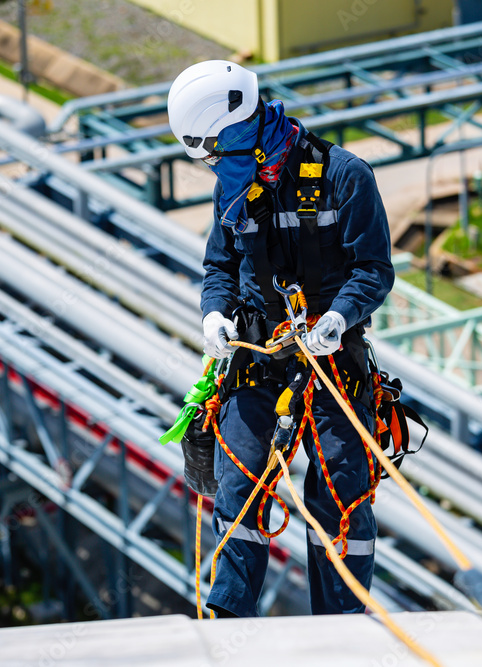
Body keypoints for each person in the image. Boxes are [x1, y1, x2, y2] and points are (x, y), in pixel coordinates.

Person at [167, 60, 394, 618]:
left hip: (334, 363)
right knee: (239, 489)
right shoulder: (235, 187)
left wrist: (338, 318)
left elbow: (373, 269)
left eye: (216, 152)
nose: (215, 166)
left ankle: (341, 627)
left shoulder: (344, 177)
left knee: (341, 497)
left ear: (239, 129)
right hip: (258, 361)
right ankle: (228, 620)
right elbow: (220, 267)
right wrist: (214, 315)